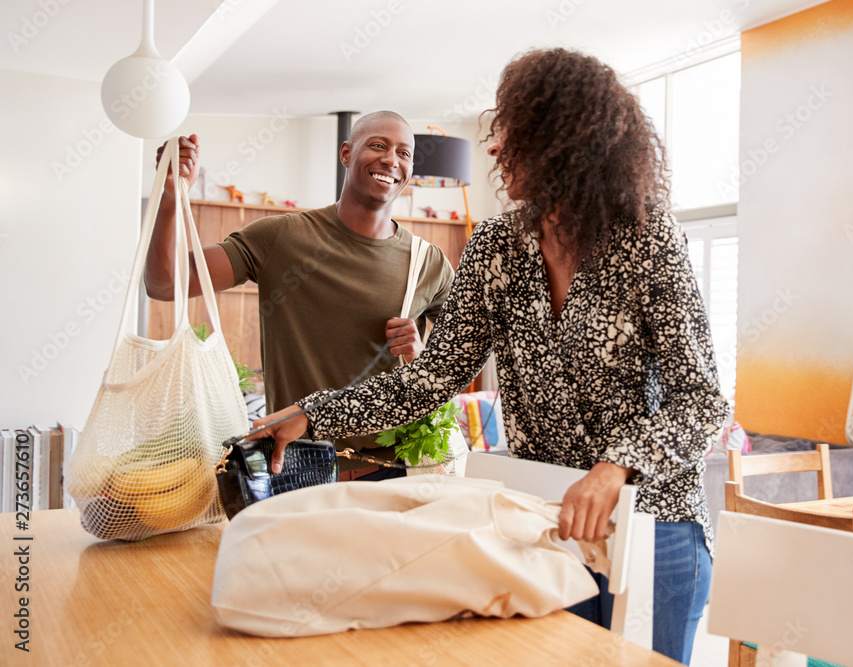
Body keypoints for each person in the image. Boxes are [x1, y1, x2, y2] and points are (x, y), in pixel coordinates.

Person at [250, 50, 728, 663]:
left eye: (515, 132)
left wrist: (612, 471)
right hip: (545, 525)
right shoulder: (498, 247)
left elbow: (702, 400)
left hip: (657, 525)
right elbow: (429, 379)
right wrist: (314, 413)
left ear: (565, 139)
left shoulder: (647, 237)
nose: (496, 150)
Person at [144, 111, 455, 479]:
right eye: (378, 145)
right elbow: (165, 283)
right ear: (345, 153)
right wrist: (169, 196)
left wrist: (421, 353)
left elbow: (453, 365)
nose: (391, 159)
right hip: (294, 465)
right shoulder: (282, 237)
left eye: (404, 153)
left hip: (392, 469)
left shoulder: (428, 263)